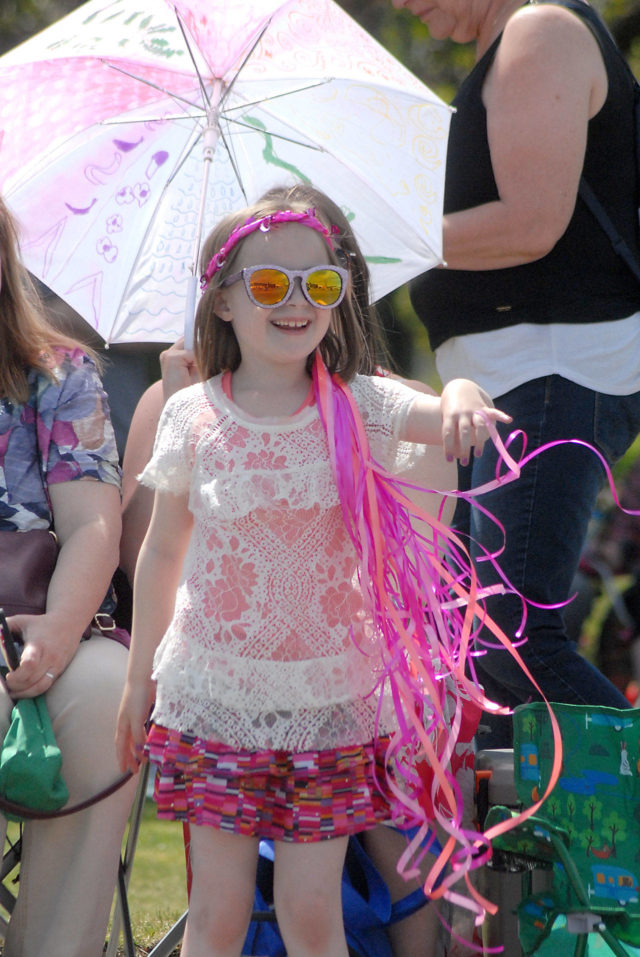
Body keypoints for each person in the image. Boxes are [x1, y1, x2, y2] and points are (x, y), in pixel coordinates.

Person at [115, 186, 510, 957]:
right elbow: (162, 552)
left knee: (310, 911)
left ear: (339, 296)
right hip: (214, 695)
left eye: (319, 283)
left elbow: (442, 411)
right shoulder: (193, 412)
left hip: (328, 702)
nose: (296, 301)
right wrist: (139, 681)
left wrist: (463, 391)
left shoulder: (355, 403)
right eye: (269, 284)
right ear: (222, 301)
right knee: (217, 912)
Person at [390, 0, 640, 747]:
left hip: (554, 368)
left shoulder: (540, 31)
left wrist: (378, 239)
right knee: (479, 645)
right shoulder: (510, 43)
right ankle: (541, 819)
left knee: (511, 637)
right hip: (517, 379)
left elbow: (532, 224)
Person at [0, 196, 136, 957]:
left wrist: (56, 631)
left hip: (49, 617)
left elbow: (92, 526)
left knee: (106, 698)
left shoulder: (59, 374)